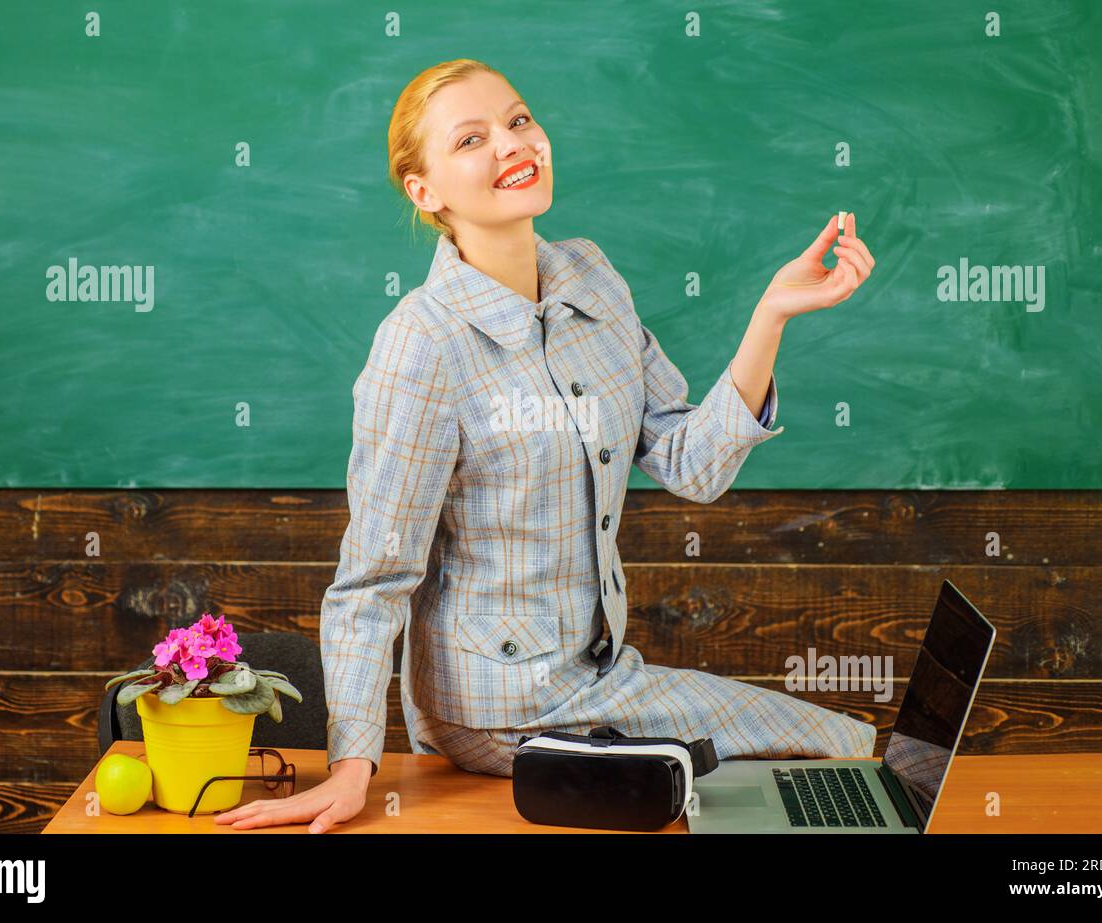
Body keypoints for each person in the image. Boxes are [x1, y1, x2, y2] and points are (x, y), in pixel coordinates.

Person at [216, 58, 876, 833]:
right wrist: (351, 766)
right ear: (425, 192)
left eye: (518, 119)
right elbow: (373, 580)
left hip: (599, 681)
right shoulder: (422, 347)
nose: (510, 143)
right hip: (498, 712)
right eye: (471, 138)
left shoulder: (591, 278)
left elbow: (688, 464)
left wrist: (769, 317)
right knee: (834, 748)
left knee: (838, 750)